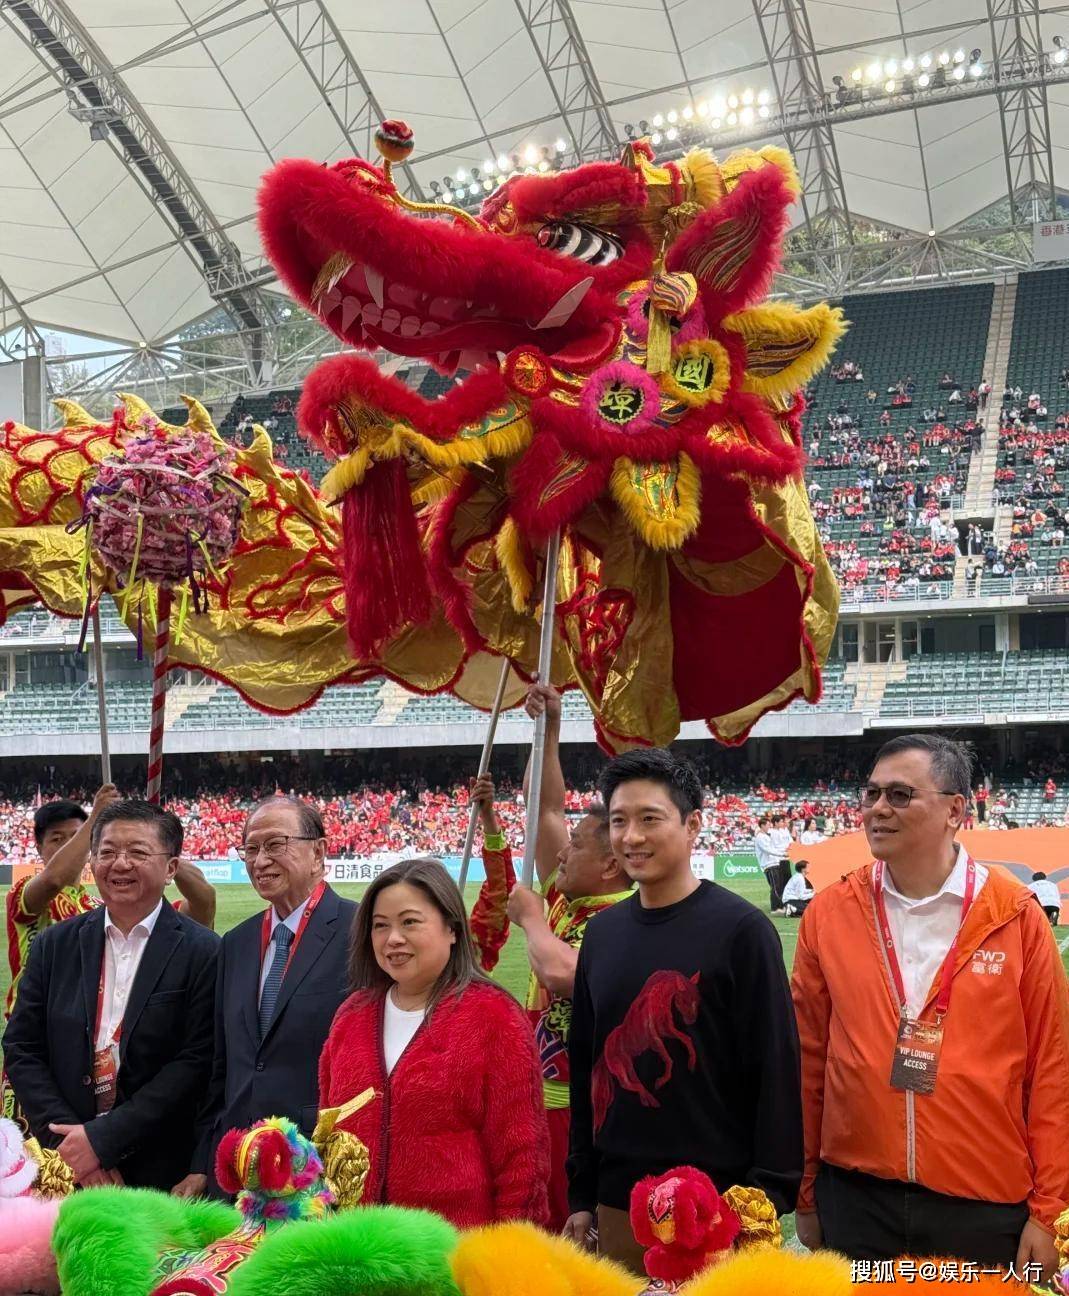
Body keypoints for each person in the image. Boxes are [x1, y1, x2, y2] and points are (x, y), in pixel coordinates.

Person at [792, 734, 1069, 1278]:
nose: (877, 808)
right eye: (871, 793)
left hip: (983, 1205)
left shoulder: (1016, 917)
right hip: (856, 1198)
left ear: (955, 811)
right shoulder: (829, 913)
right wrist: (807, 1188)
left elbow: (1051, 1071)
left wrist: (1048, 1210)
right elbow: (807, 1060)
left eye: (899, 795)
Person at [566, 749, 802, 1274]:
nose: (631, 837)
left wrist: (764, 1197)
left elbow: (776, 1071)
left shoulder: (742, 932)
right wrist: (582, 1192)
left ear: (693, 824)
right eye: (619, 821)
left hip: (717, 1208)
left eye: (650, 819)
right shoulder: (601, 935)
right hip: (618, 1204)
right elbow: (586, 1068)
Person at [317, 857, 550, 1228]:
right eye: (380, 925)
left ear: (452, 929)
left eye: (410, 922)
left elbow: (522, 1157)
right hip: (355, 1245)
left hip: (457, 1248)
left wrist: (510, 1249)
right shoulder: (351, 1015)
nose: (393, 938)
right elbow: (328, 1132)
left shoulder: (494, 1017)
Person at [2, 800, 219, 1190]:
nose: (120, 864)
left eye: (138, 852)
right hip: (62, 1163)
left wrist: (102, 1141)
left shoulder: (203, 951)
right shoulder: (55, 944)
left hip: (160, 1170)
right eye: (107, 852)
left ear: (171, 867)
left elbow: (196, 1061)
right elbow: (22, 1045)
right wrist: (72, 1146)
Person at [505, 683, 632, 1229]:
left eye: (576, 845)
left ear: (610, 866)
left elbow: (564, 974)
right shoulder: (570, 900)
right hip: (542, 1093)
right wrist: (549, 730)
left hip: (582, 1104)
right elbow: (544, 808)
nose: (562, 851)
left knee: (575, 1231)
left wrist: (531, 918)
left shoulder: (620, 918)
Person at [187, 795, 356, 1197]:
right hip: (235, 1168)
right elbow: (221, 1067)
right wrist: (200, 1164)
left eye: (275, 844)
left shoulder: (360, 931)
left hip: (315, 1167)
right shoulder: (236, 943)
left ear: (318, 852)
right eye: (250, 849)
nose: (260, 860)